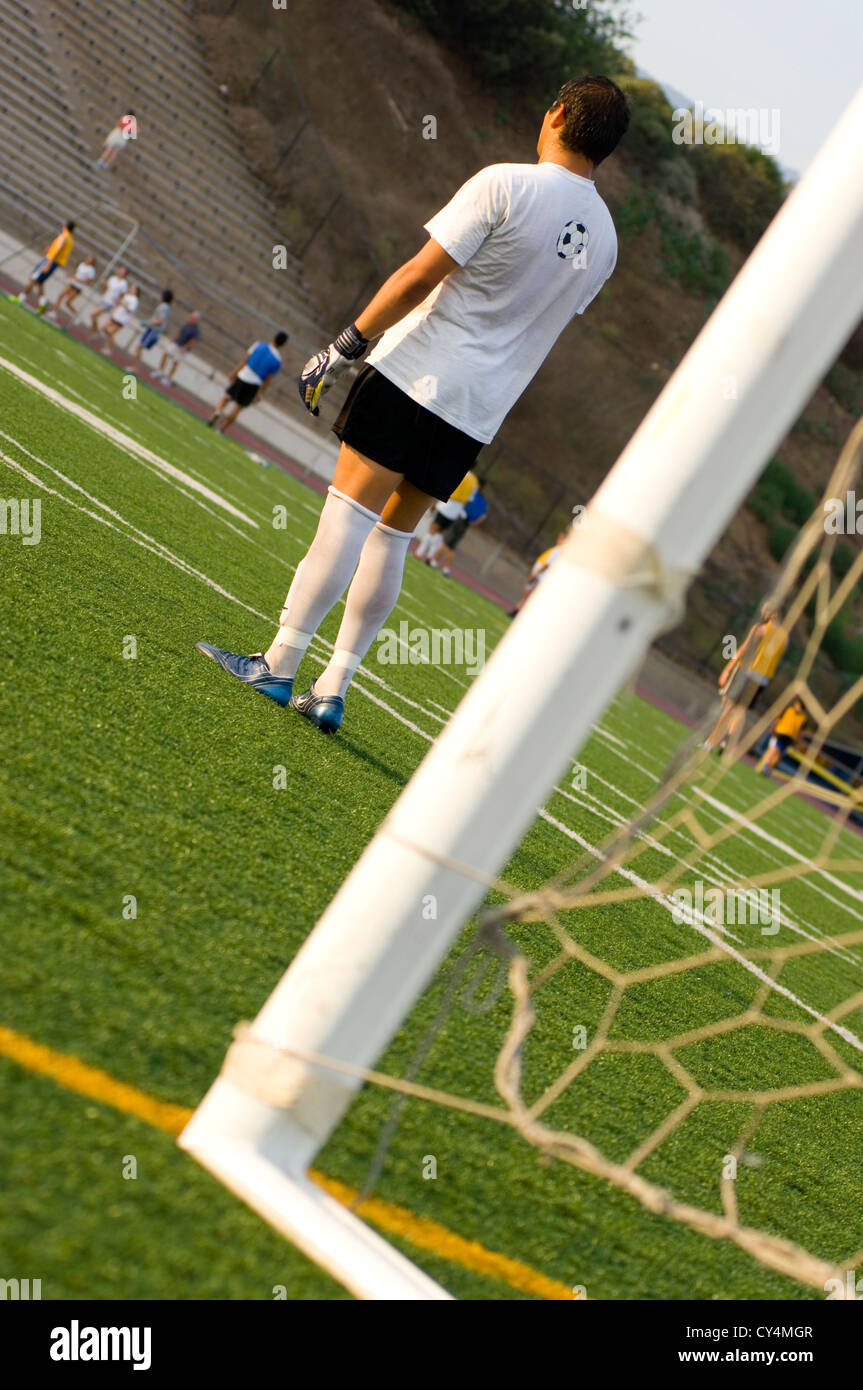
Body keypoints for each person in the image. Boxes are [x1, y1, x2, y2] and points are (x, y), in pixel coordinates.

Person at [195, 75, 629, 733]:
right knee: (394, 539)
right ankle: (334, 685)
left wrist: (344, 346)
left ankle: (280, 663)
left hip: (416, 373)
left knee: (345, 519)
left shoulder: (506, 183)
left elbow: (418, 275)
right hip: (478, 410)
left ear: (558, 114)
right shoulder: (606, 240)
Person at [704, 604, 789, 753]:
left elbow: (744, 648)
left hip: (747, 672)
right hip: (762, 680)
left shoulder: (761, 629)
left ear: (773, 613)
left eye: (766, 609)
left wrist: (728, 668)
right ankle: (727, 739)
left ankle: (710, 743)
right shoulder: (785, 638)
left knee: (728, 707)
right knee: (740, 711)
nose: (763, 612)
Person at [207, 331, 288, 432]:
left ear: (274, 337)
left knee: (226, 398)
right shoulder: (277, 360)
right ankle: (222, 429)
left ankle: (217, 412)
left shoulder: (259, 345)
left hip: (244, 375)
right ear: (283, 344)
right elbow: (267, 379)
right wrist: (261, 393)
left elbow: (245, 360)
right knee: (238, 408)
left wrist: (234, 372)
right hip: (255, 383)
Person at [414, 470, 479, 562]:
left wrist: (433, 506)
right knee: (440, 533)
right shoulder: (474, 481)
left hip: (445, 505)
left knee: (432, 530)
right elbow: (469, 500)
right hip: (455, 511)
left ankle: (420, 552)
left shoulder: (458, 473)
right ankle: (430, 555)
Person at [12, 220, 76, 311]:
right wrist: (51, 250)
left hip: (50, 261)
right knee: (39, 282)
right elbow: (61, 251)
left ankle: (21, 298)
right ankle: (43, 302)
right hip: (56, 262)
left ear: (65, 226)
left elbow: (58, 250)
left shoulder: (64, 236)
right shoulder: (71, 239)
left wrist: (48, 264)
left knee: (33, 278)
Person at [431, 479, 488, 576]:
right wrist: (473, 523)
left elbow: (463, 502)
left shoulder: (473, 494)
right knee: (452, 547)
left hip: (460, 519)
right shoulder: (483, 501)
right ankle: (446, 569)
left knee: (445, 541)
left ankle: (433, 561)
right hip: (466, 524)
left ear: (478, 486)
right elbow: (483, 516)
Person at [509, 531, 569, 616]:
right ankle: (517, 609)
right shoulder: (557, 548)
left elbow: (547, 564)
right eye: (560, 537)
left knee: (530, 595)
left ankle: (518, 612)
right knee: (527, 594)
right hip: (538, 574)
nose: (559, 539)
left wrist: (536, 573)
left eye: (562, 538)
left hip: (540, 575)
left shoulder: (559, 550)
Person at [758, 697, 807, 777]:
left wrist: (798, 744)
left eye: (798, 705)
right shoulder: (788, 709)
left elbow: (801, 733)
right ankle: (765, 766)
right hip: (780, 733)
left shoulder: (803, 718)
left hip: (789, 738)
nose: (796, 706)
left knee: (779, 754)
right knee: (774, 750)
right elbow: (778, 719)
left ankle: (768, 768)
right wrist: (773, 727)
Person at [152, 312, 201, 383]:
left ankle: (168, 378)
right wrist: (173, 340)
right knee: (166, 353)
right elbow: (180, 333)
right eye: (191, 317)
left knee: (175, 362)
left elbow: (192, 341)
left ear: (196, 320)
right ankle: (160, 371)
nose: (190, 319)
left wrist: (185, 347)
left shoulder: (196, 330)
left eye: (192, 318)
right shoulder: (187, 325)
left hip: (183, 348)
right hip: (177, 344)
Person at [49, 253, 96, 320]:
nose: (88, 260)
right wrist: (71, 276)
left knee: (68, 303)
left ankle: (77, 315)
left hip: (78, 287)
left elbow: (88, 281)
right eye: (88, 258)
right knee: (61, 295)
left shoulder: (91, 270)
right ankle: (54, 312)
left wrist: (79, 280)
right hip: (73, 284)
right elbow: (77, 274)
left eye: (90, 259)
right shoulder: (82, 264)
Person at [134, 289, 174, 362]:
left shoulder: (164, 307)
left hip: (154, 330)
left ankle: (135, 367)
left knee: (139, 347)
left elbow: (160, 321)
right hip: (153, 329)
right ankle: (135, 367)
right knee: (139, 347)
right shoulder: (166, 307)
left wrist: (147, 323)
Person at [101, 283, 140, 351]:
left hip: (122, 319)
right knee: (104, 328)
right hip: (116, 315)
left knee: (111, 333)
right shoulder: (126, 296)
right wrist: (116, 304)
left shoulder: (134, 300)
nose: (130, 289)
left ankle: (109, 348)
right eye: (131, 287)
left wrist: (123, 304)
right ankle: (110, 343)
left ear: (136, 291)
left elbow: (130, 310)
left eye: (133, 288)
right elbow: (119, 303)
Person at [89, 265, 129, 332]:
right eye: (120, 270)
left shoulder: (124, 284)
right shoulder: (113, 278)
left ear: (125, 274)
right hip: (105, 299)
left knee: (93, 313)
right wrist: (103, 285)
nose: (120, 272)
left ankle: (95, 330)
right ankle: (95, 330)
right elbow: (106, 289)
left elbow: (123, 296)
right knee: (94, 316)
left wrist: (117, 303)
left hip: (110, 303)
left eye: (122, 271)